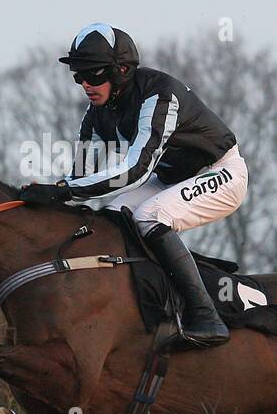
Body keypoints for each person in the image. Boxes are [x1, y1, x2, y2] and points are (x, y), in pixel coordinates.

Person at [21, 23, 247, 346]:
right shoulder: (96, 112)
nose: (85, 84)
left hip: (223, 172)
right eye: (78, 76)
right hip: (172, 178)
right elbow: (80, 176)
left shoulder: (159, 96)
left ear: (122, 70)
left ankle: (207, 317)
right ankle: (147, 307)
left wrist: (64, 191)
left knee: (149, 216)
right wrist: (50, 194)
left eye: (94, 74)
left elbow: (136, 170)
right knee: (115, 215)